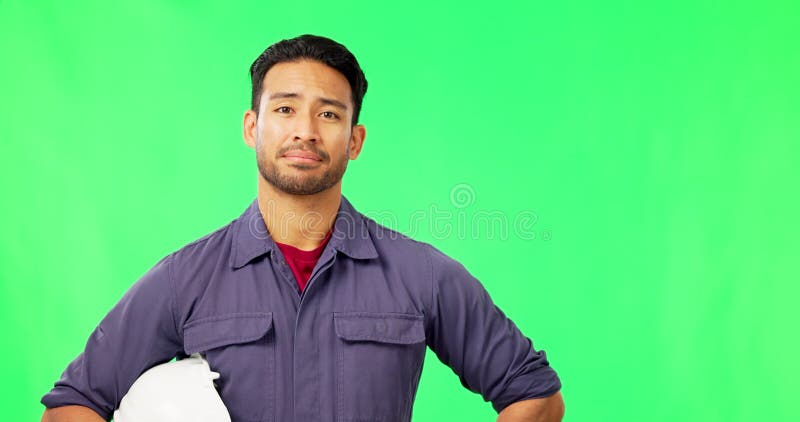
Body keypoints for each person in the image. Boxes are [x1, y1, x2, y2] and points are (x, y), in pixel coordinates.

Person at [40, 34, 564, 422]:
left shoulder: (420, 274)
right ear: (253, 127)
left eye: (329, 115)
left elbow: (536, 395)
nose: (305, 131)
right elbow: (72, 406)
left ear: (355, 140)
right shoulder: (185, 279)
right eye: (285, 108)